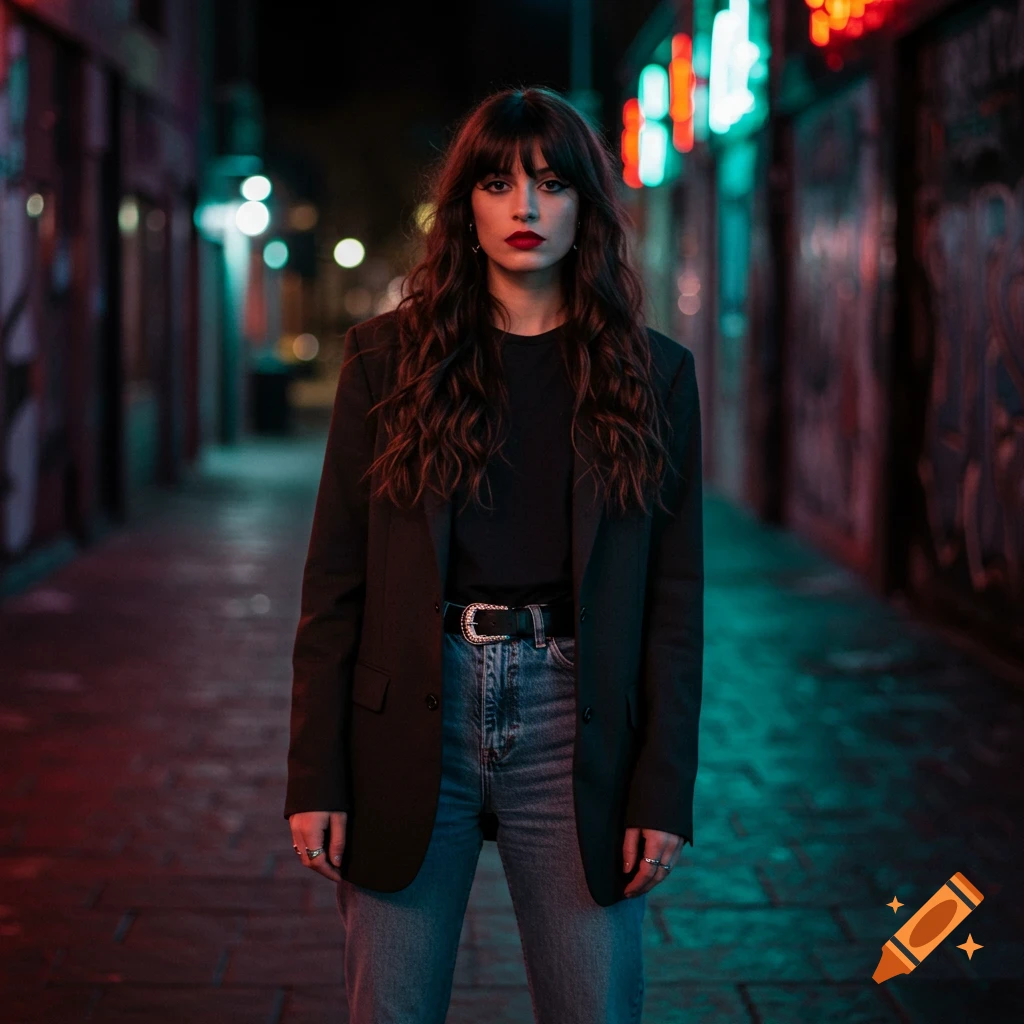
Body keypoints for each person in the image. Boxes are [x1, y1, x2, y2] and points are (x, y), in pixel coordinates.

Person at [284, 85, 704, 1024]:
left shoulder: (655, 373)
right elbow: (334, 584)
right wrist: (314, 775)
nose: (524, 208)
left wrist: (662, 790)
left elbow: (676, 606)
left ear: (585, 207)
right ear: (463, 205)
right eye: (499, 182)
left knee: (594, 1004)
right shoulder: (385, 361)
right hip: (408, 711)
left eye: (552, 184)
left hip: (574, 715)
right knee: (389, 1007)